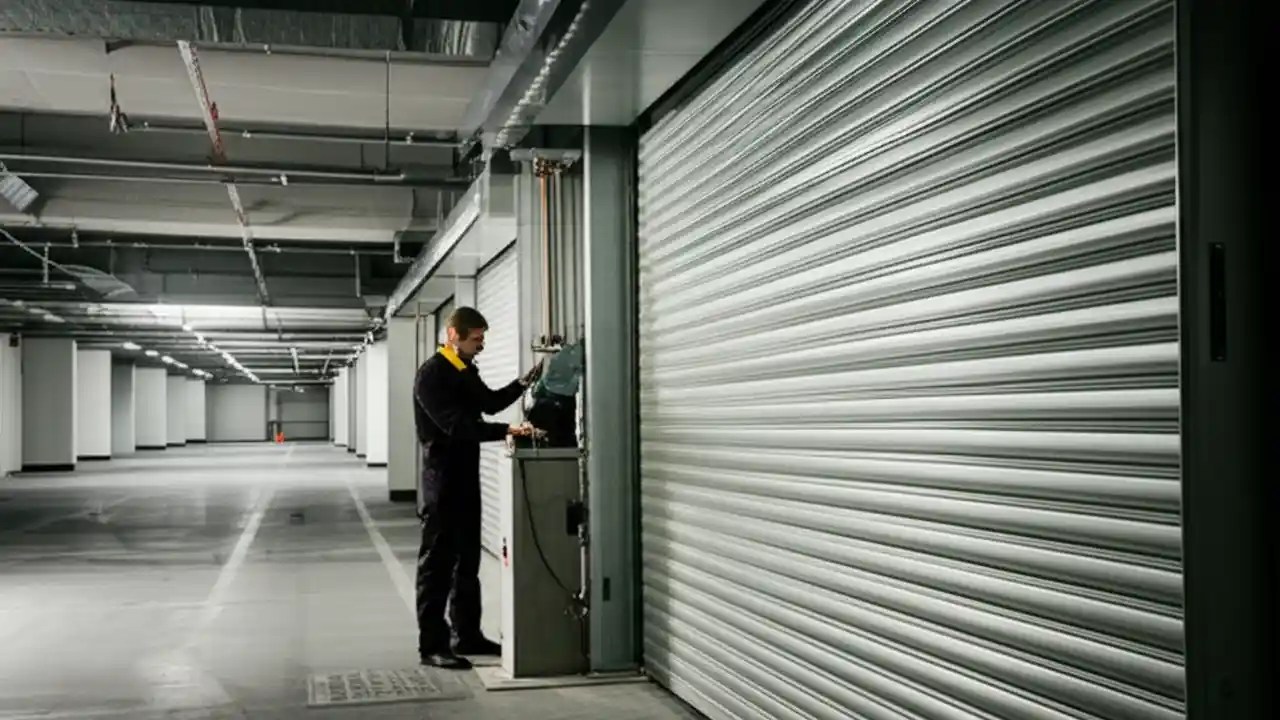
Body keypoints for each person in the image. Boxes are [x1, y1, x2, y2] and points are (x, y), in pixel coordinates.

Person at [413, 306, 542, 669]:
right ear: (453, 335)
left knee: (467, 559)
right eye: (476, 339)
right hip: (442, 480)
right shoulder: (432, 375)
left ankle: (466, 634)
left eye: (482, 339)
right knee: (437, 563)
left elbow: (487, 403)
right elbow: (457, 425)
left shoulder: (464, 369)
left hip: (466, 474)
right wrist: (506, 430)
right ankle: (432, 645)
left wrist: (525, 382)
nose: (480, 345)